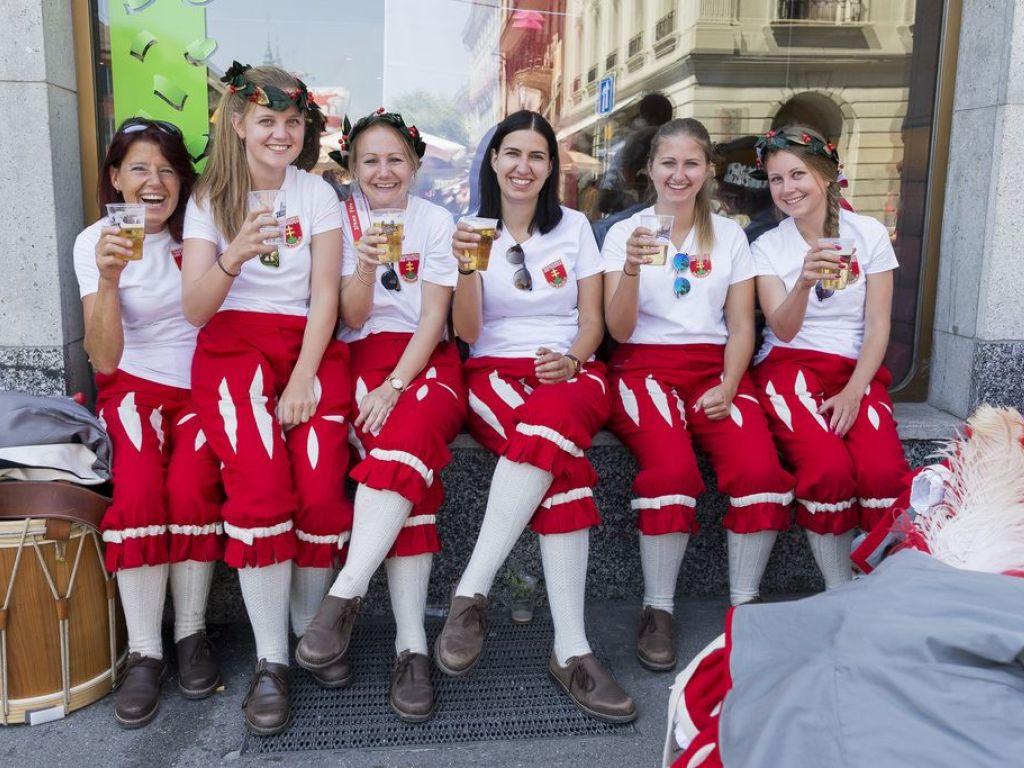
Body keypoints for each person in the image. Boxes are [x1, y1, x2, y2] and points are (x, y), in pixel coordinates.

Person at [434, 109, 635, 723]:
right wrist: (467, 265)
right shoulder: (467, 229)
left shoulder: (575, 227)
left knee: (550, 421)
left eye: (538, 157)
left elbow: (594, 325)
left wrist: (573, 361)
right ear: (493, 161)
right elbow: (467, 332)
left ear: (552, 168)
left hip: (573, 373)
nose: (524, 167)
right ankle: (572, 651)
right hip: (493, 373)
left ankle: (471, 588)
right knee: (564, 473)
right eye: (512, 154)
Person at [181, 62, 351, 735]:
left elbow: (327, 297)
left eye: (291, 121)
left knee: (319, 490)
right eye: (267, 121)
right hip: (230, 351)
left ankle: (312, 636)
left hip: (308, 348)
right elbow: (196, 311)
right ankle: (272, 662)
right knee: (257, 487)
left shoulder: (317, 196)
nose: (280, 133)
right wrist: (233, 256)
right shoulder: (209, 200)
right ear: (239, 124)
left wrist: (306, 377)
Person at [601, 118, 795, 671]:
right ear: (650, 170)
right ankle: (657, 609)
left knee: (760, 470)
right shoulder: (626, 233)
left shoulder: (730, 235)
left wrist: (731, 385)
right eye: (669, 163)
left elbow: (741, 327)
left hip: (717, 368)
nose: (679, 175)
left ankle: (746, 605)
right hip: (644, 368)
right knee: (671, 473)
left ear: (708, 170)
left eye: (691, 164)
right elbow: (617, 331)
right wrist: (632, 271)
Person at [295, 109, 466, 723]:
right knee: (411, 483)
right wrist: (365, 262)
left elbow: (433, 319)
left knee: (408, 434)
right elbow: (356, 316)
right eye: (370, 160)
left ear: (415, 166)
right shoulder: (342, 223)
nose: (383, 170)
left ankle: (344, 596)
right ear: (353, 169)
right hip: (363, 352)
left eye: (395, 158)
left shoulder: (437, 221)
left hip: (427, 360)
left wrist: (397, 384)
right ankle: (412, 647)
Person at [73, 117, 223, 728]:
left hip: (202, 387)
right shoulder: (96, 242)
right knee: (136, 488)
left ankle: (189, 634)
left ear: (184, 183)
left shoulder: (202, 235)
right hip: (130, 386)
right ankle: (146, 651)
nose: (154, 182)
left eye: (168, 170)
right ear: (115, 179)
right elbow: (103, 358)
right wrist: (109, 279)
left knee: (190, 484)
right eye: (139, 168)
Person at [750, 125, 910, 590]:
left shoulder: (870, 234)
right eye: (776, 180)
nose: (787, 189)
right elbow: (783, 330)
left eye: (797, 175)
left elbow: (879, 323)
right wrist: (802, 280)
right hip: (788, 366)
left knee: (883, 472)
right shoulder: (768, 246)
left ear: (826, 175)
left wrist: (855, 391)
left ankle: (883, 590)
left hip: (856, 371)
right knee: (828, 469)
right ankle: (839, 591)